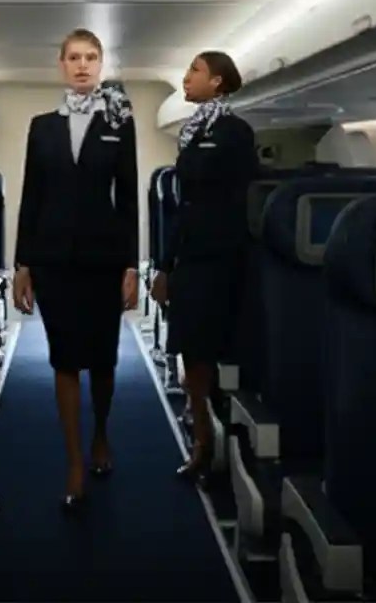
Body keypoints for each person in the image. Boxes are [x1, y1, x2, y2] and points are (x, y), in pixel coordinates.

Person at [12, 28, 139, 513]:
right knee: (64, 358)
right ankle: (73, 461)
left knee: (103, 359)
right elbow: (30, 197)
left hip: (103, 259)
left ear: (101, 65)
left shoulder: (118, 123)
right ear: (61, 65)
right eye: (74, 57)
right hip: (53, 259)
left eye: (91, 57)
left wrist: (131, 263)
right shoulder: (41, 125)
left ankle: (101, 434)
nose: (82, 65)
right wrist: (22, 263)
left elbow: (127, 198)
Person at [150, 51, 257, 488]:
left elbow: (236, 195)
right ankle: (201, 434)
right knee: (191, 347)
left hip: (223, 254)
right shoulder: (192, 132)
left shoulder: (234, 131)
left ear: (217, 82)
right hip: (192, 251)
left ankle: (204, 442)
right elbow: (185, 205)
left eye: (194, 70)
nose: (185, 78)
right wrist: (164, 265)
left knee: (207, 346)